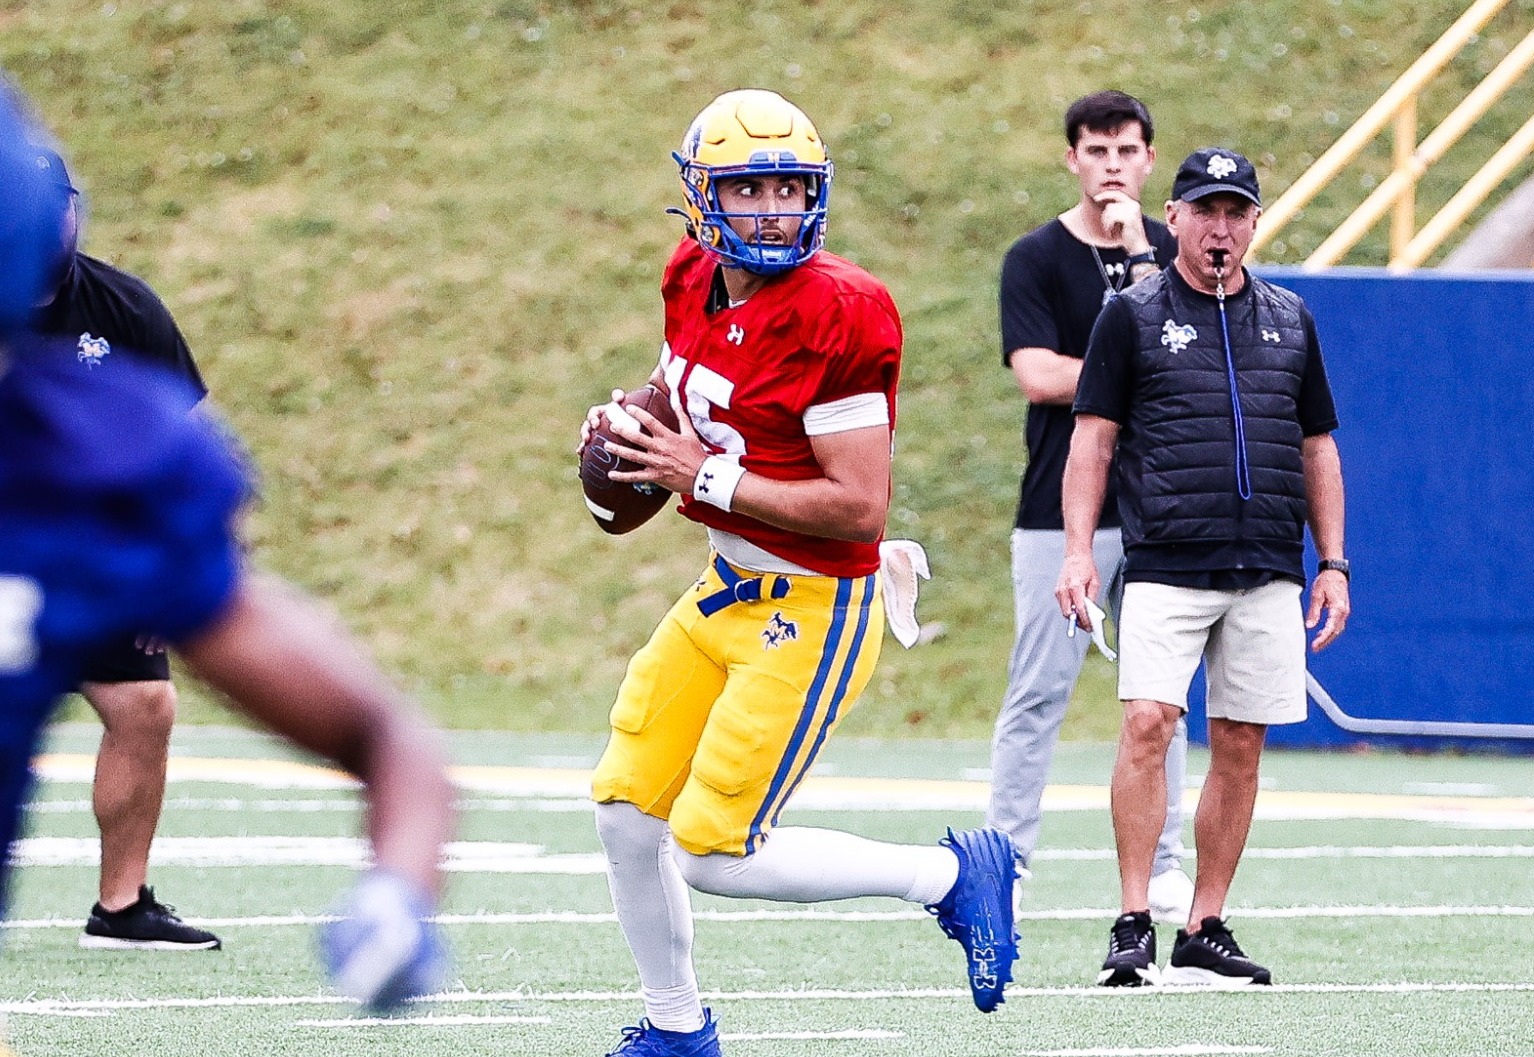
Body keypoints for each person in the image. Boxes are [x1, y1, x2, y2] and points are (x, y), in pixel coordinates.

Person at [0, 79, 453, 1023]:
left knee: (144, 701)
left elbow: (385, 738)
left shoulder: (79, 465)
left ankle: (120, 903)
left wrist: (396, 892)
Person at [581, 88, 1018, 1057]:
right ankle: (676, 1029)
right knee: (624, 808)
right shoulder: (691, 275)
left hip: (814, 602)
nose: (774, 207)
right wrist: (638, 428)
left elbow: (858, 505)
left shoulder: (839, 312)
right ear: (702, 199)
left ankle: (949, 877)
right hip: (724, 586)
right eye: (749, 188)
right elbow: (689, 387)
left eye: (790, 185)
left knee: (713, 853)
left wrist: (707, 473)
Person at [1056, 146, 1350, 987]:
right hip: (1167, 561)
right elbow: (1093, 441)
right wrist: (1078, 549)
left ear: (1255, 222)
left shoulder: (1291, 318)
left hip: (1268, 563)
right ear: (1174, 218)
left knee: (1242, 740)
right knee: (1148, 721)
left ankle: (1205, 920)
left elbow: (1318, 445)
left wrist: (1333, 561)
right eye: (1205, 210)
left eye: (1237, 211)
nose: (1221, 227)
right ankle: (1130, 917)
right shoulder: (1133, 314)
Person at [989, 89, 1193, 926]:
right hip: (1057, 511)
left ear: (1149, 161)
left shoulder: (1179, 251)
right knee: (1037, 690)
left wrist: (1144, 249)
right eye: (1097, 151)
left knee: (1161, 700)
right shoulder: (1035, 258)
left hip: (1159, 512)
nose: (1113, 166)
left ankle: (1170, 863)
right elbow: (1038, 375)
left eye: (1127, 151)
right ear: (1072, 158)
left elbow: (1192, 356)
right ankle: (1006, 857)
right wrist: (1123, 372)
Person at [24, 145, 221, 951]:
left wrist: (167, 574)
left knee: (145, 703)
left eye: (57, 201)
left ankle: (121, 905)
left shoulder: (124, 309)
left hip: (89, 555)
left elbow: (185, 444)